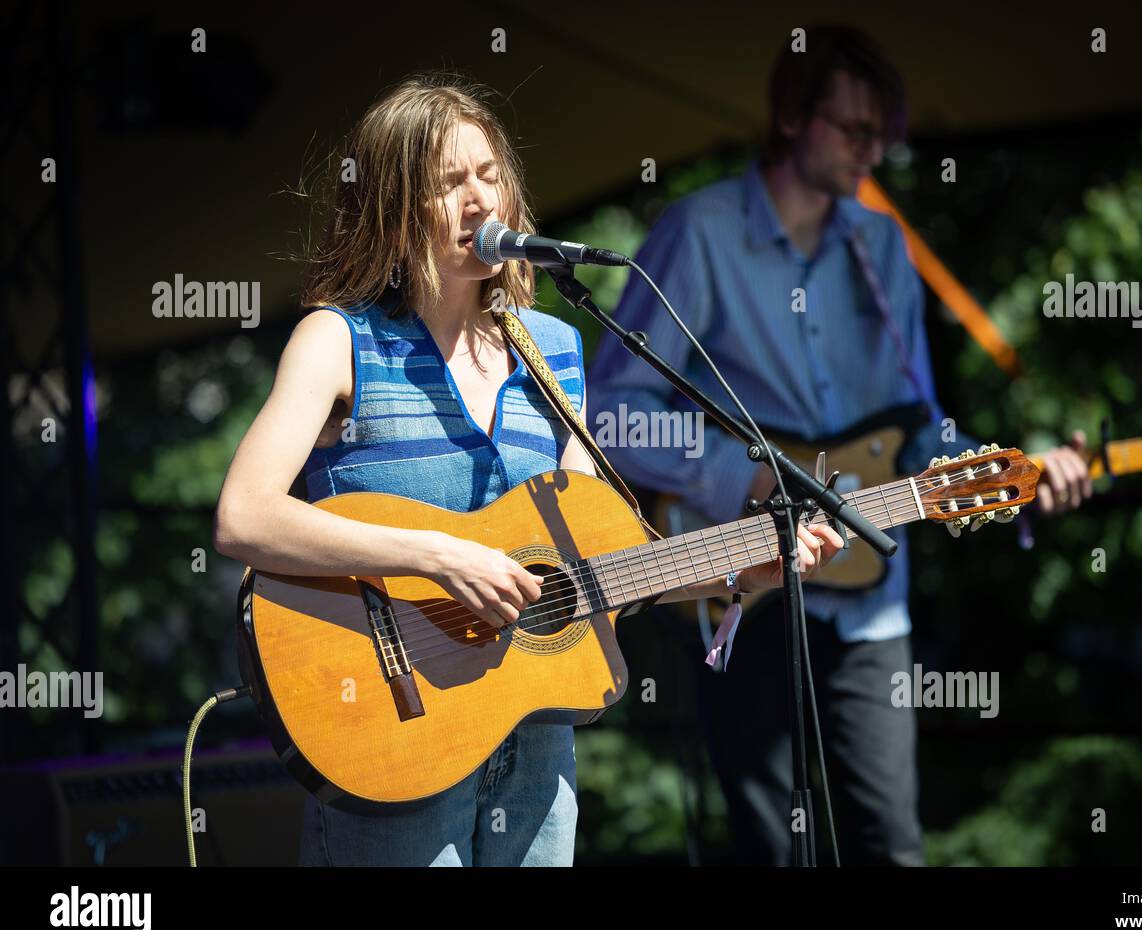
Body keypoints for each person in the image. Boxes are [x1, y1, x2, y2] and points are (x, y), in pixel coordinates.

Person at [212, 72, 844, 867]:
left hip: (538, 752)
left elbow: (594, 560)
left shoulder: (553, 351)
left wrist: (735, 568)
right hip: (391, 732)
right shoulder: (338, 342)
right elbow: (243, 516)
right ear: (394, 207)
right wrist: (439, 556)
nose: (479, 202)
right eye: (448, 184)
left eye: (489, 176)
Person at [587, 26, 1092, 865]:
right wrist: (735, 475)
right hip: (742, 581)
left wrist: (1022, 474)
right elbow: (609, 409)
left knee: (891, 844)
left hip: (868, 594)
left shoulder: (882, 243)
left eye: (879, 134)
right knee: (769, 846)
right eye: (852, 129)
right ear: (791, 115)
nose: (871, 150)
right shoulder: (700, 232)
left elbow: (919, 419)